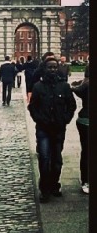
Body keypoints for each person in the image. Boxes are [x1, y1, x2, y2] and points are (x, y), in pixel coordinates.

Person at [28, 57, 77, 203]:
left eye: (55, 67)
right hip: (43, 129)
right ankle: (44, 189)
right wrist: (38, 119)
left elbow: (71, 105)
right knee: (44, 158)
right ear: (45, 69)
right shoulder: (38, 86)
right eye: (50, 67)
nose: (53, 70)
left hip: (58, 128)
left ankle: (54, 184)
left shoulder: (64, 87)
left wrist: (65, 119)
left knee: (56, 160)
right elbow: (32, 107)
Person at [71, 63, 89, 194]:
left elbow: (75, 88)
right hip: (86, 121)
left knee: (86, 152)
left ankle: (86, 181)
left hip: (84, 120)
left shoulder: (85, 85)